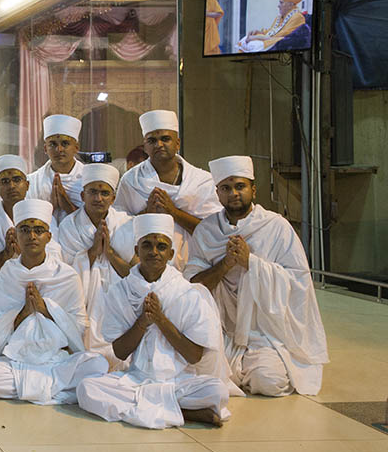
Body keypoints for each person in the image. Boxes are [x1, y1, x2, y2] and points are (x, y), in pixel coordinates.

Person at [186, 156, 328, 397]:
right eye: (226, 188)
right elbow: (191, 285)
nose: (234, 193)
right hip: (221, 330)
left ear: (253, 188)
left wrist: (251, 263)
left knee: (268, 382)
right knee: (194, 375)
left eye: (240, 186)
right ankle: (238, 368)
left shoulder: (276, 227)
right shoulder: (206, 231)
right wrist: (225, 264)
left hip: (264, 332)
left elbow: (299, 284)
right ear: (217, 193)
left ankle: (248, 369)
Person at [76, 213, 232, 428]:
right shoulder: (120, 291)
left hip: (180, 381)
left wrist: (160, 319)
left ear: (171, 253)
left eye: (161, 246)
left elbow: (194, 356)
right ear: (136, 251)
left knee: (217, 390)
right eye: (147, 245)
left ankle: (148, 408)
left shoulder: (187, 293)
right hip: (137, 379)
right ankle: (185, 413)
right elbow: (120, 352)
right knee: (87, 389)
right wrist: (142, 323)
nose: (154, 252)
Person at [0, 199, 107, 405]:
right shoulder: (7, 274)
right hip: (15, 360)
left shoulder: (66, 275)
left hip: (57, 359)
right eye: (25, 229)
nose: (31, 236)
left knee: (96, 363)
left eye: (38, 230)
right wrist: (23, 313)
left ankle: (33, 389)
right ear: (16, 235)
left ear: (48, 236)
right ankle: (61, 391)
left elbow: (81, 325)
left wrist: (46, 310)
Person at [115, 110, 221, 269]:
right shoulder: (131, 180)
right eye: (152, 140)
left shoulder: (202, 181)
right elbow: (118, 229)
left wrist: (174, 213)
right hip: (147, 267)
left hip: (195, 266)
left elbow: (214, 231)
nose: (158, 145)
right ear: (145, 147)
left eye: (165, 139)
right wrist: (146, 214)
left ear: (177, 143)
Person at [55, 163, 136, 366]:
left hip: (120, 301)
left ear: (113, 198)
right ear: (83, 196)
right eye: (92, 192)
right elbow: (62, 277)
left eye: (104, 193)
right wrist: (91, 253)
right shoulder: (68, 227)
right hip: (83, 301)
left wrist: (109, 253)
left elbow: (137, 274)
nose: (98, 198)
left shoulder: (128, 225)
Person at [0, 155, 64, 287]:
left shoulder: (43, 217)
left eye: (17, 180)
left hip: (42, 286)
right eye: (5, 181)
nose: (11, 186)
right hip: (4, 289)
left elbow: (56, 258)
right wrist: (5, 254)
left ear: (27, 185)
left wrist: (28, 251)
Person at [28, 115, 86, 221]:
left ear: (76, 148)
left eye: (65, 144)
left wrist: (68, 206)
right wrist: (51, 207)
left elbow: (95, 221)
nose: (59, 149)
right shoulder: (32, 182)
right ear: (45, 149)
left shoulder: (88, 179)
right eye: (53, 144)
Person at [237, 0, 309, 53]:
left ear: (290, 5)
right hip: (271, 39)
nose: (278, 6)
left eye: (281, 2)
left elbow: (283, 37)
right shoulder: (280, 17)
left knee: (253, 44)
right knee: (245, 40)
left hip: (279, 42)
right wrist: (259, 32)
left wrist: (259, 37)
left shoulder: (297, 17)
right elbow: (272, 31)